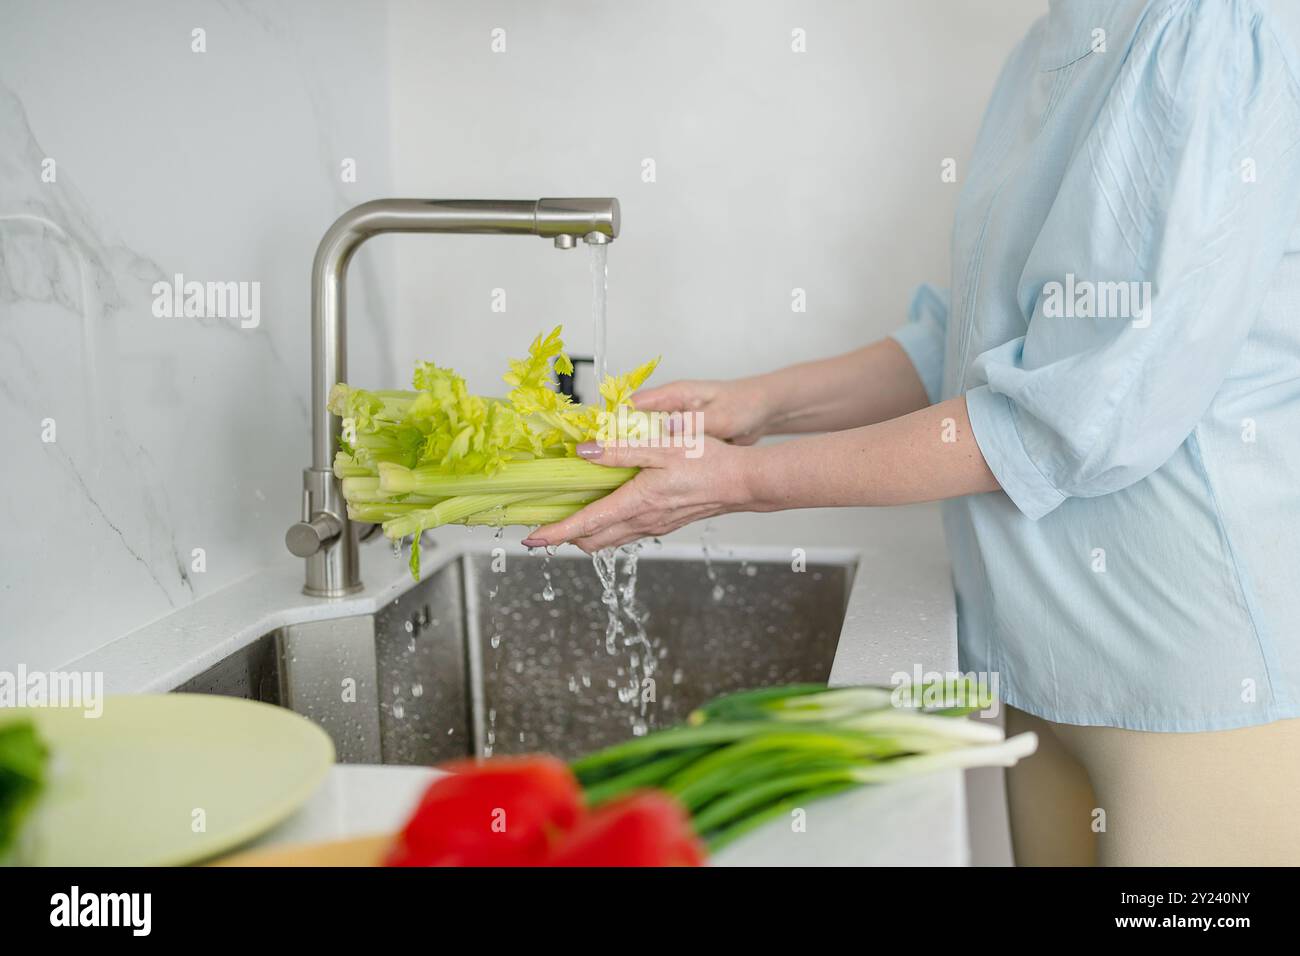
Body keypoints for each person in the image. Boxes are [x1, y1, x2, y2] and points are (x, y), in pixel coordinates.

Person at [523, 0, 1300, 866]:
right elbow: (969, 348)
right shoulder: (1055, 38)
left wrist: (739, 482)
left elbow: (1073, 415)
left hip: (1194, 678)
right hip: (1041, 666)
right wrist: (757, 406)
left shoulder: (1221, 26)